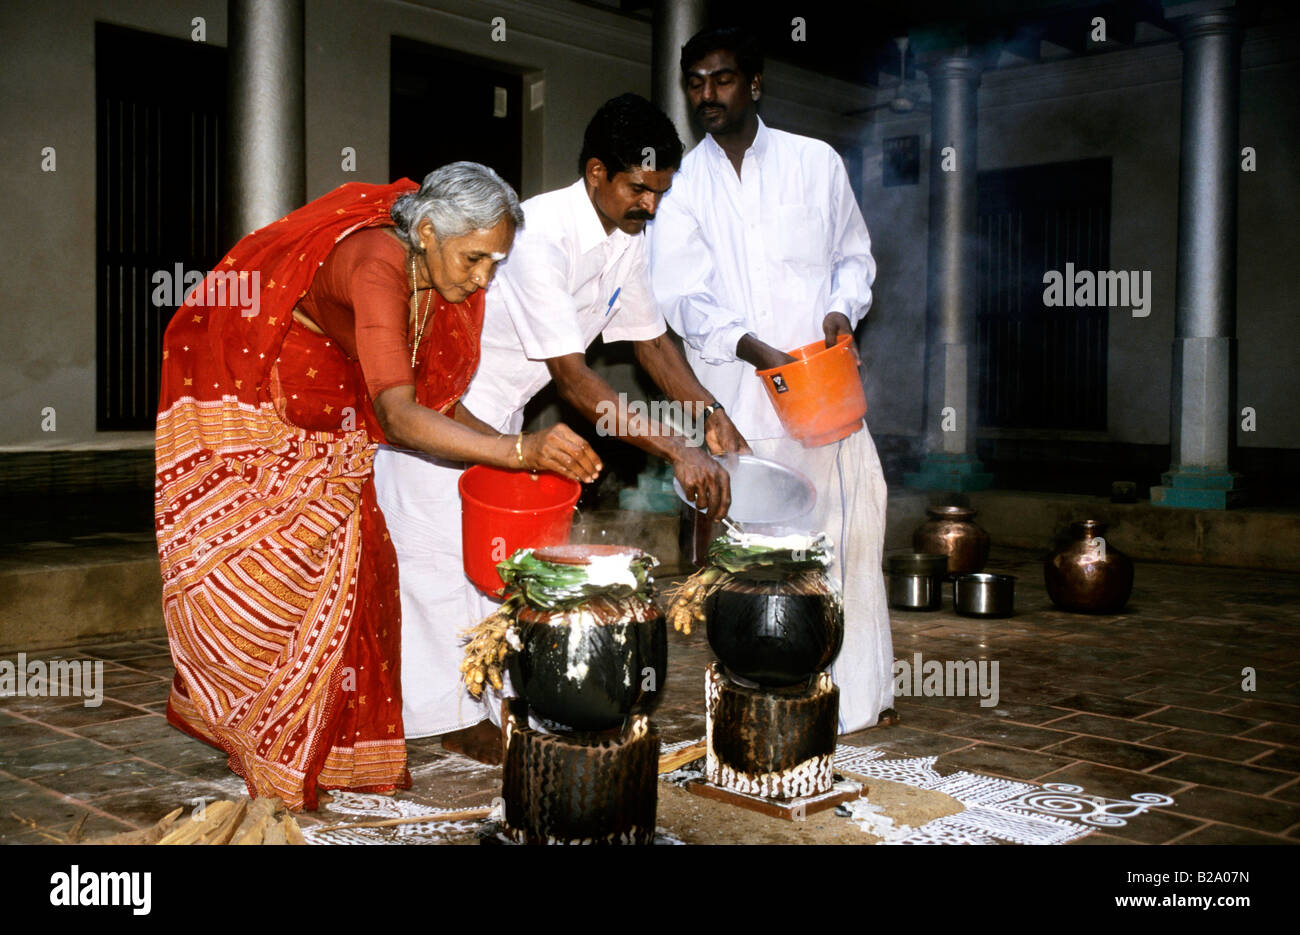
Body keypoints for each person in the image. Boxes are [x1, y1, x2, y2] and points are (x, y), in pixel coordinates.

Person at [155, 163, 600, 810]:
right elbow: (397, 414)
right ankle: (267, 735)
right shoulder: (377, 264)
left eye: (494, 263)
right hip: (273, 410)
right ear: (425, 230)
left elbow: (438, 403)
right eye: (474, 258)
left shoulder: (442, 276)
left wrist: (523, 462)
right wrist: (520, 447)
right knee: (279, 584)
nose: (482, 278)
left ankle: (320, 749)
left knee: (354, 578)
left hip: (335, 416)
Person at [375, 94, 748, 758]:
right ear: (597, 172)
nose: (651, 205)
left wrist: (709, 413)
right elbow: (575, 381)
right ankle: (447, 721)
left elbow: (653, 346)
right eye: (639, 188)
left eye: (660, 191)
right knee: (435, 569)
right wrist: (676, 451)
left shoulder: (627, 238)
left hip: (500, 420)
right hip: (442, 416)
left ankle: (486, 706)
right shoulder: (540, 235)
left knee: (491, 571)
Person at [648, 27, 897, 733]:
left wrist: (840, 312)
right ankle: (761, 695)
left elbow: (854, 257)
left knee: (846, 532)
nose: (707, 96)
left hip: (824, 392)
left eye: (722, 79)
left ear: (754, 84)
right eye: (695, 82)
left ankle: (854, 698)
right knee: (754, 557)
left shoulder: (815, 164)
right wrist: (755, 350)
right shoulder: (682, 185)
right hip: (737, 403)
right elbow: (681, 297)